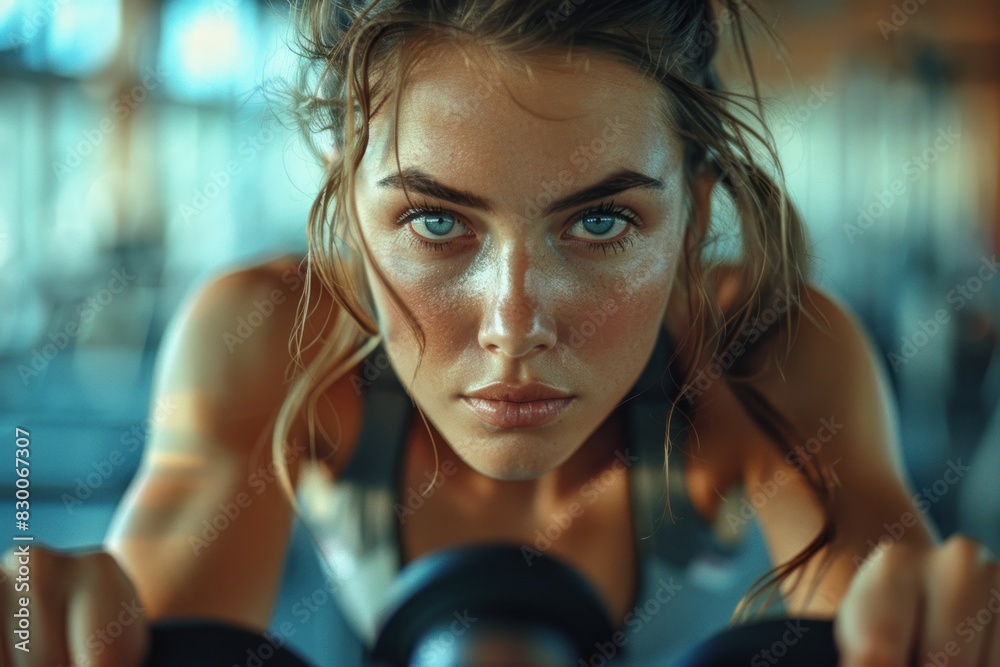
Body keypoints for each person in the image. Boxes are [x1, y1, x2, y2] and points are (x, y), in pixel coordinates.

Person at [2, 1, 998, 665]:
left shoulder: (765, 349)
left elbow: (884, 616)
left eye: (602, 222)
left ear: (694, 221)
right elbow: (154, 621)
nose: (514, 326)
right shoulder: (271, 338)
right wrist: (62, 630)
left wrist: (928, 630)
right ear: (350, 211)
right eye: (436, 222)